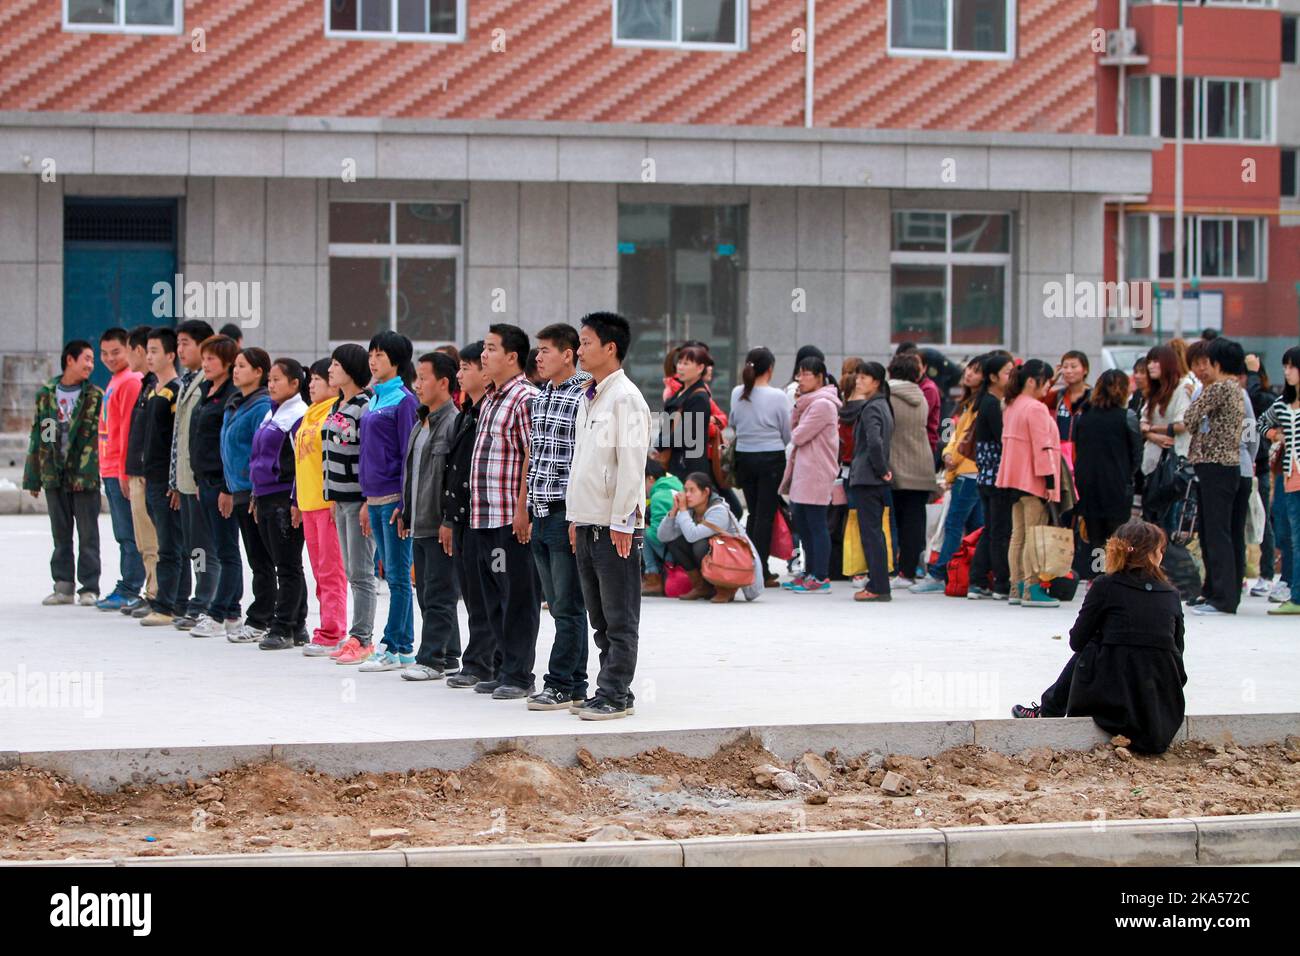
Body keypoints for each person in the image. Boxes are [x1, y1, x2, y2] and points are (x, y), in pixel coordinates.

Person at [1011, 520, 1186, 755]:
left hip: (1109, 700)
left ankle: (1048, 709)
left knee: (1093, 643)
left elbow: (1077, 641)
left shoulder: (1105, 586)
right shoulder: (1171, 595)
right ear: (1155, 555)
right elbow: (1177, 650)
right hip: (1161, 707)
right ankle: (1048, 707)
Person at [566, 311, 654, 718]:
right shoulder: (591, 395)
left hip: (613, 526)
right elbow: (584, 463)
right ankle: (611, 688)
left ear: (610, 348)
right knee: (599, 616)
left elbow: (632, 465)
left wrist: (623, 520)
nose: (579, 350)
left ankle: (615, 693)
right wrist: (576, 517)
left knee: (619, 617)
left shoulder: (627, 398)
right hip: (588, 522)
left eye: (585, 343)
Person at [460, 323, 539, 699]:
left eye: (491, 349)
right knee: (491, 596)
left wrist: (523, 509)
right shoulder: (490, 398)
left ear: (512, 357)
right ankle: (501, 666)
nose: (483, 356)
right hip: (483, 516)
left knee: (517, 597)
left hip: (510, 519)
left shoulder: (525, 397)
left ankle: (520, 675)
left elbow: (530, 456)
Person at [524, 323, 591, 711]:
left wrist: (576, 518)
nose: (540, 357)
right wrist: (530, 510)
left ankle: (561, 683)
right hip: (541, 510)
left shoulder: (584, 394)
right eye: (539, 350)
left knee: (567, 606)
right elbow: (537, 457)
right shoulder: (543, 395)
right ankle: (577, 683)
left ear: (568, 354)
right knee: (561, 604)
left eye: (547, 350)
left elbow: (584, 459)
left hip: (567, 513)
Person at [395, 351, 463, 679]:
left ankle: (432, 659)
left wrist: (448, 520)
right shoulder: (420, 422)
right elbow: (413, 473)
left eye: (423, 378)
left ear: (444, 383)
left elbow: (452, 479)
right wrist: (405, 510)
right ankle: (450, 655)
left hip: (439, 525)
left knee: (438, 593)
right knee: (426, 591)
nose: (417, 385)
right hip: (419, 522)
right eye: (417, 378)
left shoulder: (453, 423)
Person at [355, 331, 420, 671]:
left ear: (395, 361)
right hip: (375, 497)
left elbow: (409, 456)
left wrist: (405, 503)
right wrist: (366, 500)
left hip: (395, 498)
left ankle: (394, 644)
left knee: (396, 575)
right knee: (389, 573)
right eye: (371, 353)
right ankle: (403, 647)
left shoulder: (404, 400)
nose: (373, 360)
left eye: (379, 355)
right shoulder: (373, 400)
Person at [25, 340, 103, 606]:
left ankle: (89, 587)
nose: (91, 365)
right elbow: (40, 435)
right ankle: (63, 586)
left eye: (93, 360)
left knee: (88, 533)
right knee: (61, 533)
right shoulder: (47, 393)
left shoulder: (94, 396)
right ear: (70, 360)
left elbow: (98, 438)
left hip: (84, 475)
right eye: (87, 359)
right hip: (54, 475)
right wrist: (35, 475)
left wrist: (92, 473)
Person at [1183, 337, 1250, 616]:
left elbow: (1189, 419)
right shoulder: (1236, 389)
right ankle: (1219, 592)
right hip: (1229, 466)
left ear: (1217, 362)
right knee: (1224, 532)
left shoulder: (1218, 388)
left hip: (1214, 466)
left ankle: (1221, 598)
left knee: (1216, 532)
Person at [444, 343, 498, 688]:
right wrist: (448, 518)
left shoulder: (488, 413)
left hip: (486, 516)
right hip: (463, 516)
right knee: (472, 594)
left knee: (486, 594)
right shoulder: (467, 414)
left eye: (467, 367)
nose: (460, 374)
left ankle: (484, 662)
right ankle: (476, 660)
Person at [249, 358, 309, 650]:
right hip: (264, 496)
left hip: (285, 498)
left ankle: (283, 626)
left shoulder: (298, 415)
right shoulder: (272, 413)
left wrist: (296, 500)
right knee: (282, 563)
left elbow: (301, 463)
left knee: (287, 566)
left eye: (277, 380)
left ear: (295, 384)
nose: (271, 385)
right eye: (269, 380)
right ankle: (297, 624)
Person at [322, 343, 376, 663]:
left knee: (361, 571)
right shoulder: (336, 406)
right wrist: (330, 496)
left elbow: (366, 456)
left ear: (352, 369)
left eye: (336, 365)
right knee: (349, 569)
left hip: (358, 500)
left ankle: (362, 638)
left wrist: (368, 500)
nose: (330, 370)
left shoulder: (364, 406)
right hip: (339, 499)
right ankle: (354, 635)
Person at [914, 356, 986, 593]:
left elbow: (969, 440)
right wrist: (947, 454)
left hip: (969, 471)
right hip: (963, 470)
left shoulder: (982, 404)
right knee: (977, 527)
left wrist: (952, 459)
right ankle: (977, 576)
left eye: (976, 371)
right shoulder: (968, 402)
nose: (969, 374)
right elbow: (956, 435)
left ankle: (938, 573)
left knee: (954, 524)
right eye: (969, 370)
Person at [188, 335, 244, 639]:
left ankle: (219, 612)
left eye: (212, 359)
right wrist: (198, 480)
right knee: (221, 547)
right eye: (204, 357)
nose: (206, 364)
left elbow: (229, 446)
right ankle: (232, 612)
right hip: (205, 481)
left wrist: (226, 486)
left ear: (227, 363)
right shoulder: (207, 391)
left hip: (223, 484)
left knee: (226, 550)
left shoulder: (231, 397)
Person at [996, 358, 1062, 608]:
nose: (1047, 387)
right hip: (1033, 479)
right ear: (1033, 381)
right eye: (1046, 382)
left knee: (1018, 536)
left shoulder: (1011, 405)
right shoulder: (1035, 408)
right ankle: (1032, 588)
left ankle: (1017, 586)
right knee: (1035, 536)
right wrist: (1051, 481)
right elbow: (1042, 447)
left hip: (1012, 480)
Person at [294, 359, 348, 655]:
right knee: (317, 568)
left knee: (331, 569)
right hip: (307, 501)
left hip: (327, 503)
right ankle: (326, 626)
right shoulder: (309, 414)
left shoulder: (335, 412)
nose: (312, 384)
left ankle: (333, 629)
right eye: (311, 379)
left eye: (319, 379)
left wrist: (334, 499)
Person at [221, 347, 274, 643]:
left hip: (255, 492)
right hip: (238, 490)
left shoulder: (261, 406)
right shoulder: (235, 403)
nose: (236, 370)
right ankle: (264, 614)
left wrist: (254, 491)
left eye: (242, 366)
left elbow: (260, 452)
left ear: (259, 372)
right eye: (236, 365)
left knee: (263, 559)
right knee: (255, 557)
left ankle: (262, 618)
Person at [168, 319, 216, 629]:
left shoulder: (207, 384)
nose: (180, 349)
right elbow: (179, 438)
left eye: (186, 343)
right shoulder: (188, 381)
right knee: (191, 544)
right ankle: (196, 600)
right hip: (184, 480)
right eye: (179, 343)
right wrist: (174, 481)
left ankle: (205, 600)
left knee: (203, 545)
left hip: (199, 480)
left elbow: (200, 438)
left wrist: (197, 478)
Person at [778, 356, 841, 593]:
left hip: (816, 472)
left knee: (816, 524)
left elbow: (798, 435)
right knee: (804, 524)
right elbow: (795, 429)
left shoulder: (823, 404)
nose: (800, 379)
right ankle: (809, 571)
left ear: (819, 377)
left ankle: (821, 576)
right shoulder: (809, 402)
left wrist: (798, 406)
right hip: (804, 471)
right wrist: (798, 405)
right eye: (799, 374)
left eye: (806, 374)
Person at [730, 346, 791, 588]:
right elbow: (787, 431)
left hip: (744, 456)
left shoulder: (737, 392)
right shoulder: (778, 396)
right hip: (771, 458)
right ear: (770, 369)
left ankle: (751, 564)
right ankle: (760, 570)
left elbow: (734, 423)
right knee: (765, 516)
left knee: (754, 513)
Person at [1073, 369, 1142, 579]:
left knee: (1095, 535)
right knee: (1117, 536)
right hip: (1117, 484)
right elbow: (1136, 454)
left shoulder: (1084, 416)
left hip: (1088, 483)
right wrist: (1128, 475)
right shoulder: (1127, 416)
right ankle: (1115, 575)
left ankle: (1097, 577)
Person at [136, 329, 184, 626]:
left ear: (170, 355)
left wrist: (173, 481)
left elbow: (175, 440)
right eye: (148, 351)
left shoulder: (173, 391)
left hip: (166, 480)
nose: (149, 356)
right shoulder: (154, 389)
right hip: (150, 477)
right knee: (162, 539)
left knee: (169, 543)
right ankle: (170, 600)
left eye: (155, 351)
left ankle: (167, 604)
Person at [95, 327, 145, 612]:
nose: (110, 358)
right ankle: (129, 584)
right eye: (105, 353)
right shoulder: (116, 380)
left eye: (116, 352)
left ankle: (130, 587)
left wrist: (125, 471)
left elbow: (128, 430)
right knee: (122, 531)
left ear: (128, 349)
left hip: (120, 468)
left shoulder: (129, 382)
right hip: (109, 465)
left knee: (129, 532)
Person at [657, 472, 763, 604]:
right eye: (685, 490)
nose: (687, 495)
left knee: (700, 545)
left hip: (733, 558)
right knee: (675, 542)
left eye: (692, 490)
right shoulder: (691, 510)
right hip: (716, 556)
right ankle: (702, 586)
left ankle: (726, 588)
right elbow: (663, 536)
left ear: (706, 492)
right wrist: (673, 512)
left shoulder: (719, 510)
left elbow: (692, 535)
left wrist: (682, 510)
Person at [843, 362, 894, 602]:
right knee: (875, 532)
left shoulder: (872, 408)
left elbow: (875, 442)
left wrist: (882, 469)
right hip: (873, 476)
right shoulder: (881, 404)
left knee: (871, 533)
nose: (859, 381)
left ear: (876, 382)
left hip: (868, 477)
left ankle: (878, 586)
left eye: (864, 378)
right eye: (858, 377)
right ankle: (879, 583)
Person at [967, 351, 1015, 600]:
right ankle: (1001, 583)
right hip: (997, 477)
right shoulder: (991, 404)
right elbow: (1003, 439)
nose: (1012, 375)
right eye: (1008, 371)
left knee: (992, 528)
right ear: (994, 376)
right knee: (1000, 530)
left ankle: (977, 580)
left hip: (986, 476)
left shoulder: (988, 400)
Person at [886, 355, 935, 587]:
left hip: (897, 464)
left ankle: (898, 570)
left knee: (896, 520)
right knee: (915, 520)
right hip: (922, 463)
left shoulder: (888, 396)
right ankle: (910, 570)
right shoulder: (921, 396)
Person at [1259, 346, 1300, 614]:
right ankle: (1296, 595)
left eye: (1291, 366)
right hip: (1291, 477)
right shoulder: (1282, 403)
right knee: (1295, 538)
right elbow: (1261, 422)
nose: (1286, 371)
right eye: (1284, 366)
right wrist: (1274, 434)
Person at [121, 325, 157, 618]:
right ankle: (151, 590)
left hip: (147, 473)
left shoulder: (157, 387)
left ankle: (158, 593)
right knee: (143, 539)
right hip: (136, 471)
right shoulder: (146, 385)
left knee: (152, 539)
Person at [1138, 343, 1191, 524]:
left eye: (1155, 361)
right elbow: (1142, 421)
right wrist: (1153, 435)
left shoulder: (1182, 388)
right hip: (1152, 461)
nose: (1150, 366)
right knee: (1150, 518)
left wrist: (1151, 429)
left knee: (1166, 518)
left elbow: (1182, 424)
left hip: (1172, 462)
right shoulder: (1155, 391)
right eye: (1149, 362)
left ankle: (1166, 553)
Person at [1244, 353, 1277, 599]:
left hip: (1261, 467)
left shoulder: (1266, 397)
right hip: (1243, 466)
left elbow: (1254, 401)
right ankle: (1242, 573)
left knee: (1262, 520)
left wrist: (1253, 374)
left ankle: (1266, 574)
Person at [662, 344, 713, 481]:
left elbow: (687, 436)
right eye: (679, 362)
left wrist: (661, 442)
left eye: (686, 363)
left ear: (700, 368)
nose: (680, 367)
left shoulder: (699, 397)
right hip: (676, 461)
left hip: (690, 467)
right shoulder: (679, 392)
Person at [640, 458, 683, 594]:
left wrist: (645, 527)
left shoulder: (659, 496)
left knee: (643, 533)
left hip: (674, 553)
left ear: (651, 479)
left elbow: (659, 535)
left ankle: (653, 577)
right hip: (684, 549)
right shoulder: (676, 487)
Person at [895, 343, 941, 455]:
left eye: (916, 365)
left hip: (924, 447)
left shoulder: (929, 389)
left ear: (924, 368)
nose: (912, 368)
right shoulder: (904, 385)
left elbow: (917, 417)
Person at [1047, 349, 1091, 465]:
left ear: (1085, 370)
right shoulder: (1059, 395)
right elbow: (1036, 400)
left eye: (1073, 366)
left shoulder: (1095, 397)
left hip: (1085, 454)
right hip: (1060, 455)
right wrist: (1052, 381)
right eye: (1065, 367)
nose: (1068, 371)